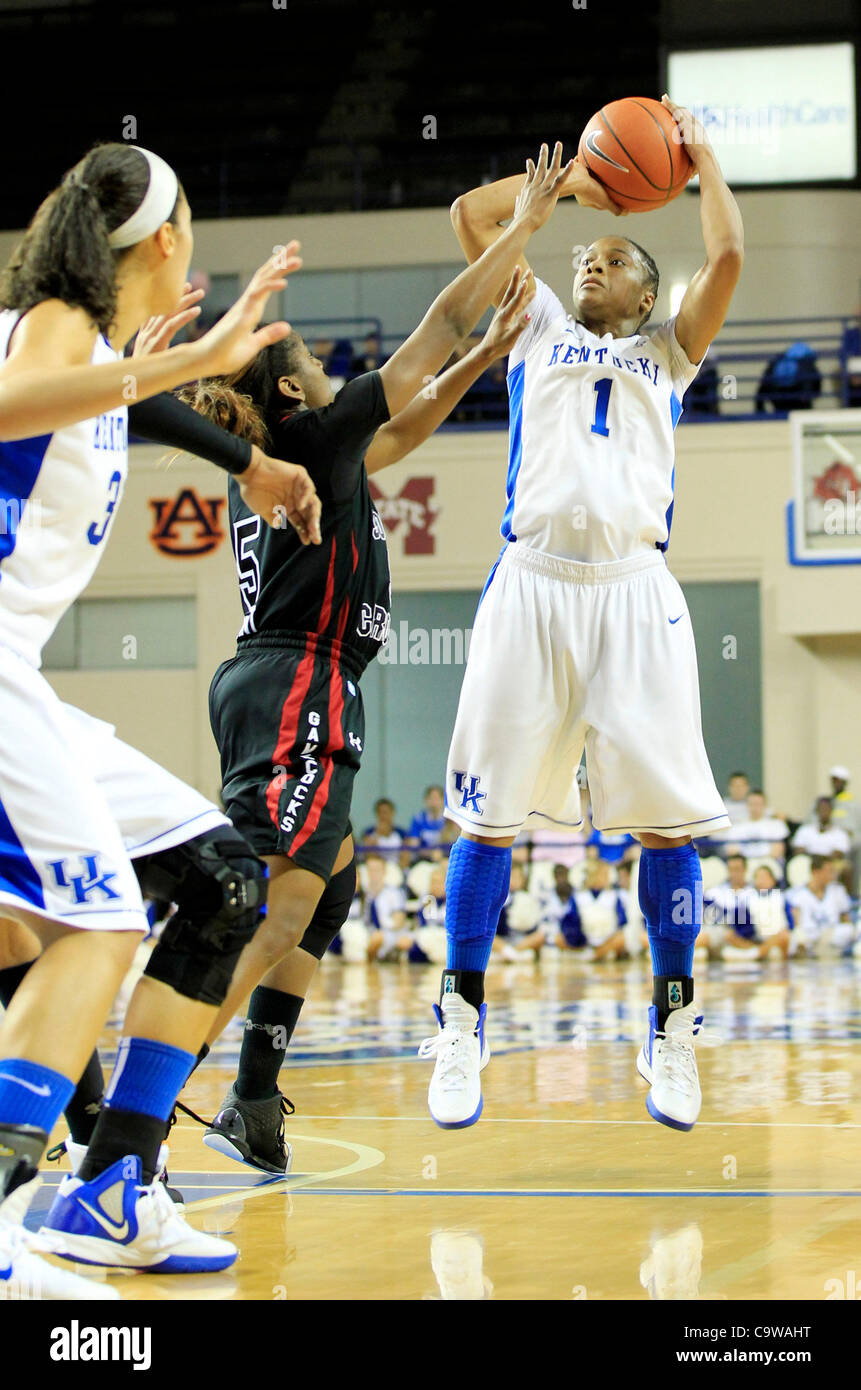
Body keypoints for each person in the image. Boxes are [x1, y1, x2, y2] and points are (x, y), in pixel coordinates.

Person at [176, 152, 563, 1174]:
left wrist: (484, 359)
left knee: (332, 885)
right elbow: (430, 328)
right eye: (310, 350)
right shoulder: (312, 434)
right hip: (300, 682)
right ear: (297, 384)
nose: (325, 356)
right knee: (273, 903)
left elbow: (411, 422)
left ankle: (253, 1095)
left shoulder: (303, 451)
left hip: (277, 681)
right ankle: (138, 1102)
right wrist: (519, 227)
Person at [0, 142, 323, 1298]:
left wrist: (235, 448)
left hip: (19, 679)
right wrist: (190, 356)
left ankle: (113, 1185)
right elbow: (12, 401)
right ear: (170, 241)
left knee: (222, 876)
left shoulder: (89, 356)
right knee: (86, 925)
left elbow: (90, 412)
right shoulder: (49, 327)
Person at [420, 101, 744, 1135]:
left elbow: (730, 253)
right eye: (582, 260)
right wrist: (568, 188)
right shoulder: (538, 327)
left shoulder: (671, 350)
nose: (586, 269)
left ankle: (672, 1022)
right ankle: (463, 1016)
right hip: (532, 583)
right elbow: (474, 219)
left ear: (650, 289)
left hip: (636, 595)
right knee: (487, 814)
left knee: (664, 820)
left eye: (611, 258)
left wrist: (703, 157)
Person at [788, 855, 854, 957]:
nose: (832, 874)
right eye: (828, 871)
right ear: (815, 872)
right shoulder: (798, 894)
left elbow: (846, 920)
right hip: (810, 935)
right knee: (796, 937)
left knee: (848, 930)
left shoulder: (838, 890)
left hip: (831, 935)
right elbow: (796, 923)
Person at [407, 785, 447, 849]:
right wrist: (430, 854)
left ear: (443, 800)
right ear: (426, 800)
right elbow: (414, 845)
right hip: (424, 857)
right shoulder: (418, 819)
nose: (434, 802)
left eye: (437, 798)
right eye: (431, 798)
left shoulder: (449, 820)